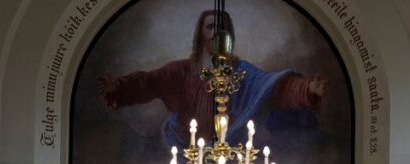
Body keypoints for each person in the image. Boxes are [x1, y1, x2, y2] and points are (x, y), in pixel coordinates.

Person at [97, 9, 326, 151]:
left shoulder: (241, 70)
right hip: (185, 149)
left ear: (229, 34)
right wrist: (118, 87)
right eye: (210, 27)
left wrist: (307, 88)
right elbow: (148, 81)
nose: (217, 32)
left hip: (231, 148)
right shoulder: (182, 71)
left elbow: (273, 87)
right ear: (200, 34)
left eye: (222, 28)